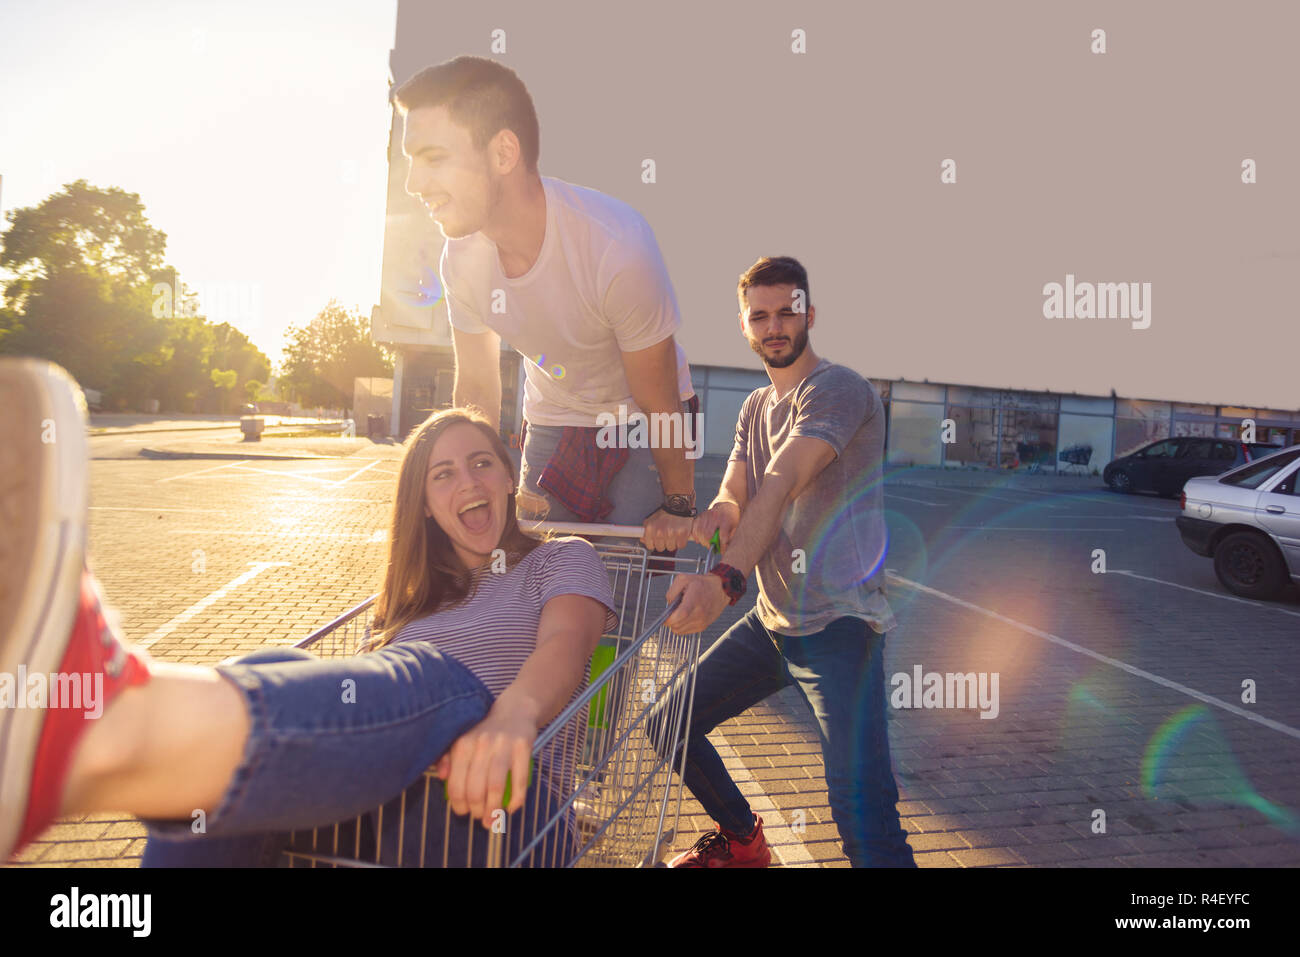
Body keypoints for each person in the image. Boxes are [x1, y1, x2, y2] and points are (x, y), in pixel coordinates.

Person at [0, 359, 618, 866]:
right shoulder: (413, 602)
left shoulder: (560, 560)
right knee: (276, 666)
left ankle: (101, 725)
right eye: (443, 475)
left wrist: (508, 717)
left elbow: (563, 647)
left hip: (514, 810)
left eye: (482, 463)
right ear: (426, 507)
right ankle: (87, 748)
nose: (468, 482)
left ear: (509, 477)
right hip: (394, 803)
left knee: (438, 685)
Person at [651, 256, 916, 868]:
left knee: (862, 813)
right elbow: (737, 493)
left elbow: (782, 480)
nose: (774, 326)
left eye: (786, 311)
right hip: (773, 624)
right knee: (671, 723)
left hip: (840, 626)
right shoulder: (752, 408)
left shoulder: (839, 390)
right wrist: (713, 519)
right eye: (759, 316)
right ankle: (745, 843)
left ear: (809, 315)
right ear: (744, 327)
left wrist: (724, 578)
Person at [391, 56, 699, 553]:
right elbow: (476, 388)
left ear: (504, 152)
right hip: (554, 417)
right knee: (539, 578)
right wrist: (468, 493)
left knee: (620, 585)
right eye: (411, 160)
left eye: (433, 157)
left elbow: (659, 400)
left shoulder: (617, 245)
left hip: (640, 421)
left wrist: (679, 504)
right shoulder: (462, 259)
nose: (413, 183)